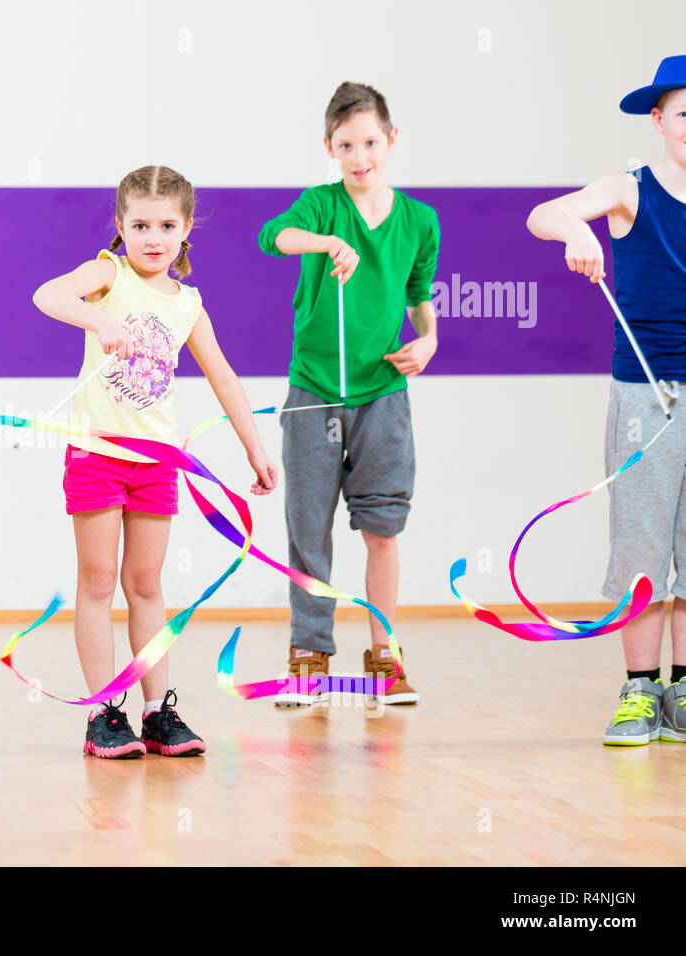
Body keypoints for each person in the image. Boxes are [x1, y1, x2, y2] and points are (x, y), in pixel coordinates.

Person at [33, 165, 278, 758]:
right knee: (96, 584)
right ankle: (103, 713)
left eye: (166, 225)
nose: (153, 237)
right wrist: (99, 317)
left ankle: (156, 711)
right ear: (121, 226)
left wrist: (254, 447)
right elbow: (48, 294)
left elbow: (223, 375)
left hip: (156, 462)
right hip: (98, 455)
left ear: (187, 228)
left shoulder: (188, 304)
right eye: (140, 224)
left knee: (145, 584)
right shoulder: (109, 274)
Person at [257, 82, 439, 708]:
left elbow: (420, 293)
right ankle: (309, 656)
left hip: (383, 393)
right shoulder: (320, 206)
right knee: (309, 529)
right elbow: (273, 237)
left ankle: (384, 657)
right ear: (328, 148)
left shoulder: (419, 221)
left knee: (383, 528)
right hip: (314, 391)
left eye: (369, 143)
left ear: (391, 140)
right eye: (345, 146)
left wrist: (428, 339)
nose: (359, 156)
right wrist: (325, 241)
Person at [526, 54, 686, 746]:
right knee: (644, 552)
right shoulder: (631, 188)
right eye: (684, 114)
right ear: (658, 120)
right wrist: (579, 229)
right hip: (647, 396)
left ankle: (682, 689)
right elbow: (545, 214)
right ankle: (640, 690)